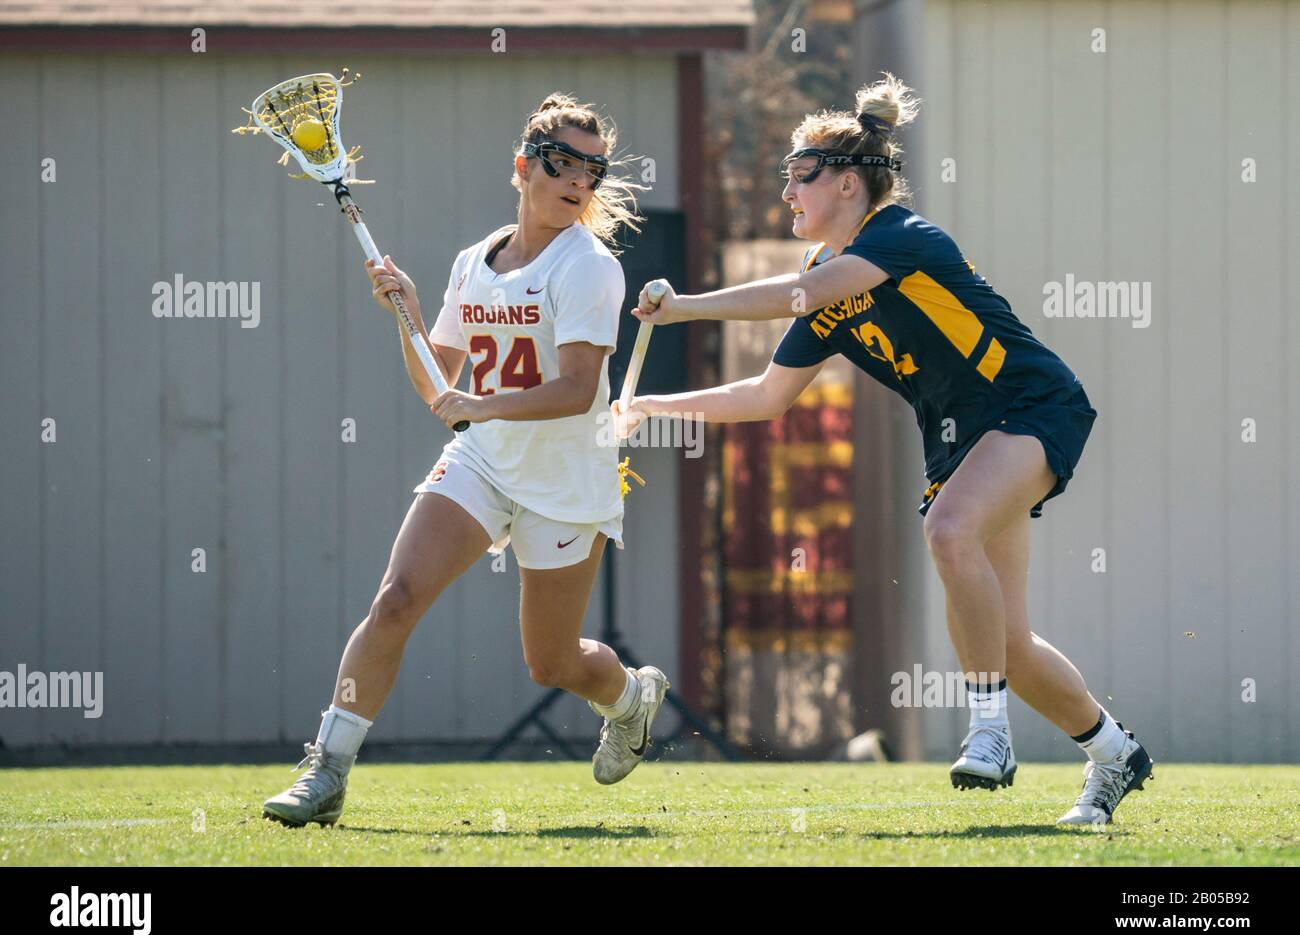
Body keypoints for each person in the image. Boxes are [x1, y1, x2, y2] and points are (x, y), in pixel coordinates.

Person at [617, 74, 1152, 826]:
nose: (788, 196)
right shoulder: (828, 281)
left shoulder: (899, 236)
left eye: (797, 179)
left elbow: (800, 297)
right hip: (964, 445)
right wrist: (649, 404)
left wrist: (686, 309)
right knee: (1011, 642)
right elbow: (766, 396)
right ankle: (1115, 754)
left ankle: (990, 734)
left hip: (1031, 406)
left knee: (948, 530)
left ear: (844, 183)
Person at [263, 93, 669, 827]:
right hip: (484, 461)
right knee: (396, 599)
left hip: (565, 482)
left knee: (550, 665)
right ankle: (326, 771)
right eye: (561, 163)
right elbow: (438, 384)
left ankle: (632, 699)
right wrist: (409, 318)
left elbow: (577, 392)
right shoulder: (472, 262)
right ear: (523, 166)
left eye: (592, 170)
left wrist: (478, 405)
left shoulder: (591, 268)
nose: (577, 181)